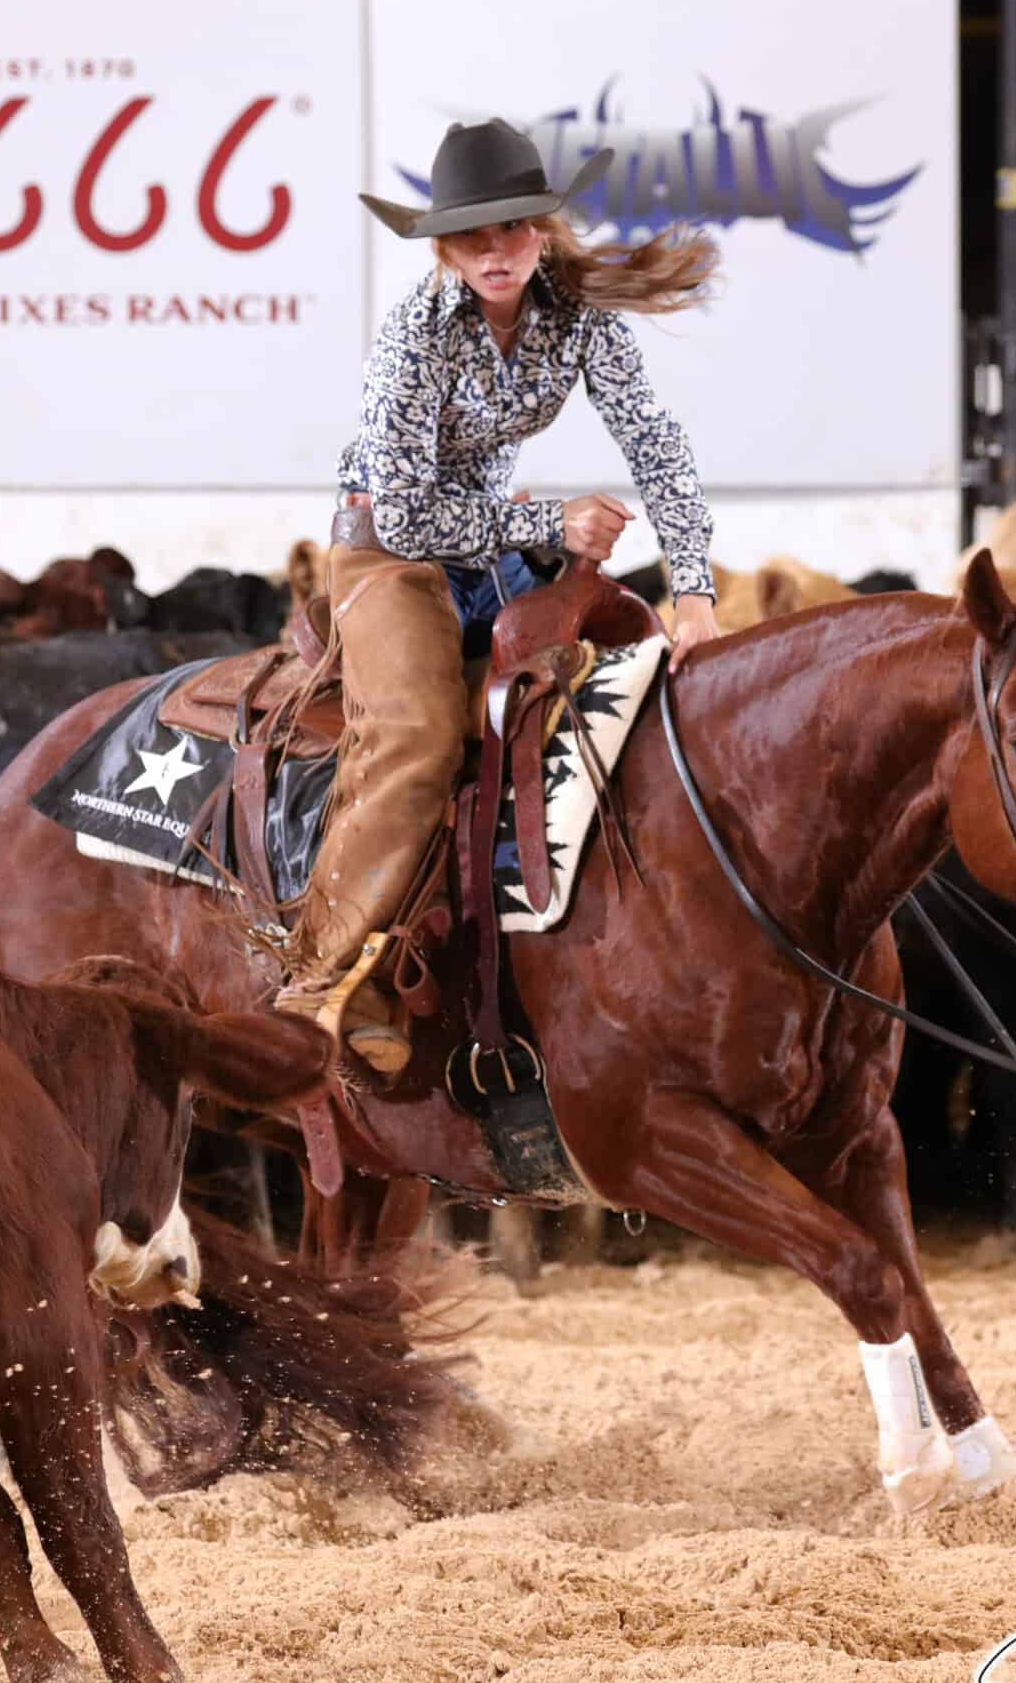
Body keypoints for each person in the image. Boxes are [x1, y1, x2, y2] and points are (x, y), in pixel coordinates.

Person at [272, 117, 723, 1076]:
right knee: (422, 732)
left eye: (513, 226)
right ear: (442, 248)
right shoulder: (413, 335)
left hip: (487, 543)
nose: (495, 248)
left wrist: (694, 589)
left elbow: (656, 443)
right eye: (471, 233)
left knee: (599, 697)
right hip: (388, 552)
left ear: (542, 231)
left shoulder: (578, 315)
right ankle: (316, 979)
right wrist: (552, 523)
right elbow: (404, 514)